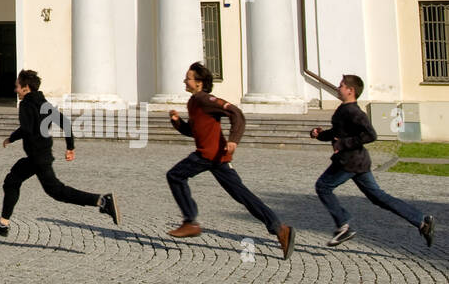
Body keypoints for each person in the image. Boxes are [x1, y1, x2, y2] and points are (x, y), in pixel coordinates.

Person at [166, 63, 294, 259]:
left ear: (199, 83)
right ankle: (280, 229)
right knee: (242, 195)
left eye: (188, 78)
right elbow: (193, 131)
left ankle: (190, 221)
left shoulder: (205, 99)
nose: (185, 81)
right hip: (216, 158)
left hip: (208, 155)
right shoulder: (193, 102)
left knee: (175, 175)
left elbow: (236, 113)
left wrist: (234, 139)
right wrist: (177, 122)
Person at [0, 69, 120, 236]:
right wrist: (70, 147)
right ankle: (2, 223)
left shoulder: (26, 104)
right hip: (39, 155)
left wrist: (12, 138)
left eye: (17, 86)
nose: (16, 90)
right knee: (12, 180)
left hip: (38, 157)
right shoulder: (44, 103)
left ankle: (103, 201)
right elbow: (65, 124)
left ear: (26, 88)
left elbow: (26, 129)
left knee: (57, 191)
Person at [311, 74, 435, 249]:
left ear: (350, 90)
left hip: (350, 162)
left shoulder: (354, 112)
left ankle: (343, 225)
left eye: (341, 85)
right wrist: (320, 135)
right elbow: (338, 132)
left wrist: (343, 143)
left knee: (323, 186)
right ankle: (422, 222)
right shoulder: (343, 110)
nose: (338, 88)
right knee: (379, 197)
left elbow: (371, 134)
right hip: (356, 162)